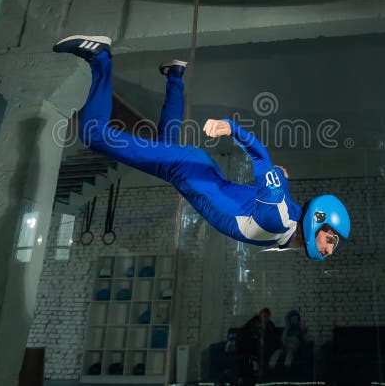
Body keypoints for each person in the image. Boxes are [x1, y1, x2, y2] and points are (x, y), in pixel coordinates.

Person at [53, 35, 351, 261]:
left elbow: (279, 181)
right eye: (332, 240)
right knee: (94, 135)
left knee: (163, 144)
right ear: (318, 223)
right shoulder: (278, 218)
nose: (330, 248)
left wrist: (280, 177)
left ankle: (175, 77)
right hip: (189, 170)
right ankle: (100, 57)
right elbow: (262, 157)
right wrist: (231, 128)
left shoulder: (288, 229)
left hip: (194, 173)